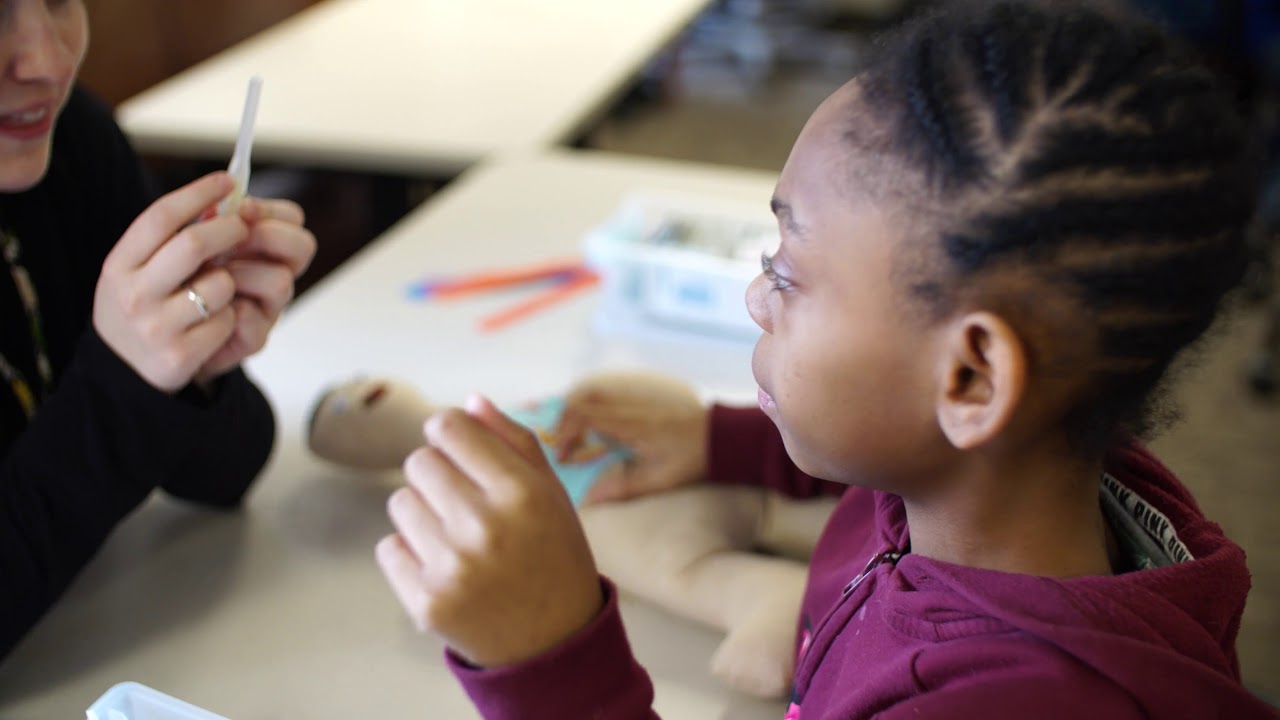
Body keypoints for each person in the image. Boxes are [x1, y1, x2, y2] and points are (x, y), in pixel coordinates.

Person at [375, 1, 1278, 717]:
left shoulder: (1017, 703)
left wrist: (549, 662)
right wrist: (721, 442)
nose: (755, 298)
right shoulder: (1020, 471)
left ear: (970, 378)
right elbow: (885, 448)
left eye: (789, 272)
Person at [0, 0, 315, 659]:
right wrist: (126, 384)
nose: (51, 60)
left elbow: (230, 468)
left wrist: (194, 365)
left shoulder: (71, 142)